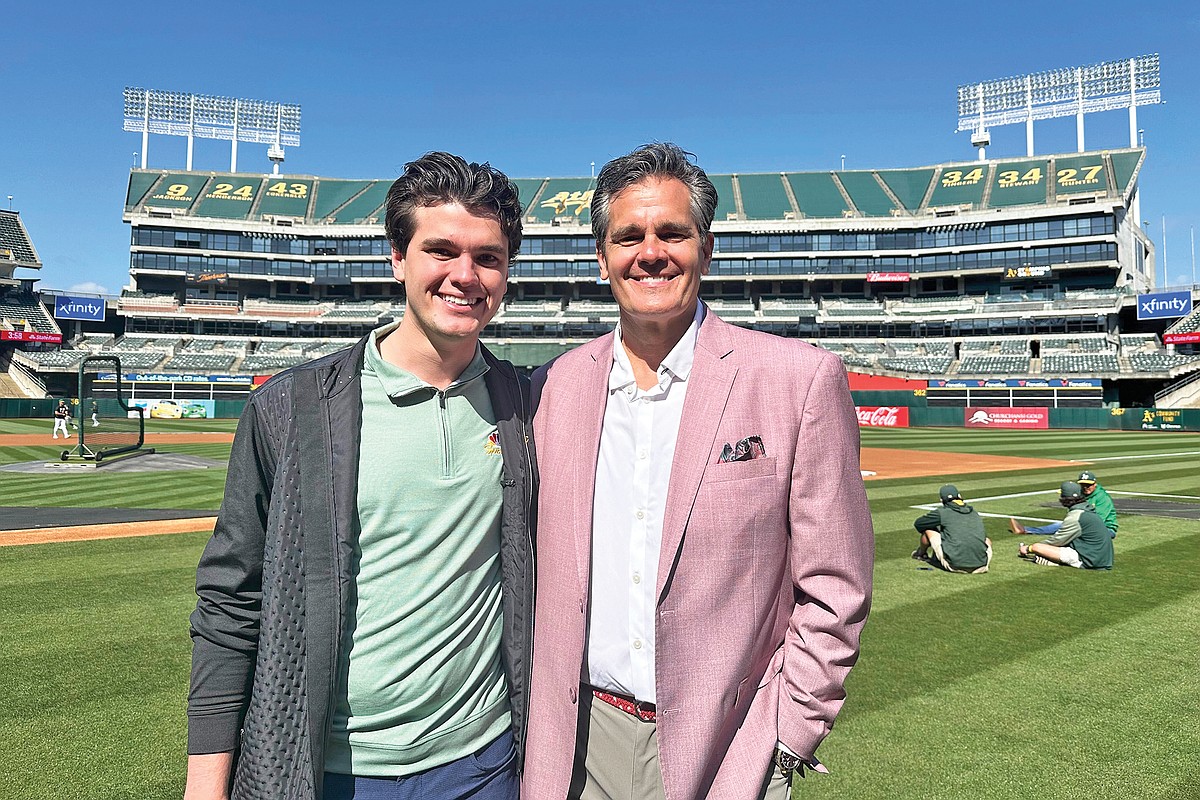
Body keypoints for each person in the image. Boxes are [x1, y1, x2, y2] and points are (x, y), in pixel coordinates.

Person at [523, 143, 874, 800]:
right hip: (576, 743)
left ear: (705, 250)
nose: (650, 252)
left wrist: (789, 732)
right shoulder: (557, 387)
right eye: (628, 236)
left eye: (672, 233)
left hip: (728, 747)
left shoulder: (798, 381)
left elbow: (837, 584)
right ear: (603, 259)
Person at [185, 152, 535, 800]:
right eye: (441, 251)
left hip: (484, 765)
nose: (466, 275)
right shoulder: (290, 409)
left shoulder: (527, 407)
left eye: (488, 256)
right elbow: (230, 604)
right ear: (397, 259)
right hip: (330, 773)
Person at [1018, 481, 1113, 569]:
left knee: (1037, 547)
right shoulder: (1086, 509)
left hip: (1090, 560)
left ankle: (1053, 561)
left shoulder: (1076, 516)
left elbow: (1057, 540)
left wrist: (1029, 548)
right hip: (1102, 558)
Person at [1009, 469, 1117, 539]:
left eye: (1088, 485)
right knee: (1062, 525)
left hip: (1106, 529)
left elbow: (1097, 522)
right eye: (1083, 484)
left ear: (1095, 484)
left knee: (1065, 527)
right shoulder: (1080, 493)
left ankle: (1027, 531)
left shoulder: (1103, 498)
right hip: (1088, 525)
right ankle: (1027, 530)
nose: (1086, 487)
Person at [912, 484, 992, 573]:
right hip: (982, 566)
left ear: (942, 500)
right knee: (986, 539)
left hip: (954, 565)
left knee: (929, 530)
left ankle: (921, 554)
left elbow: (919, 524)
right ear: (959, 497)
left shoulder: (942, 512)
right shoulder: (974, 513)